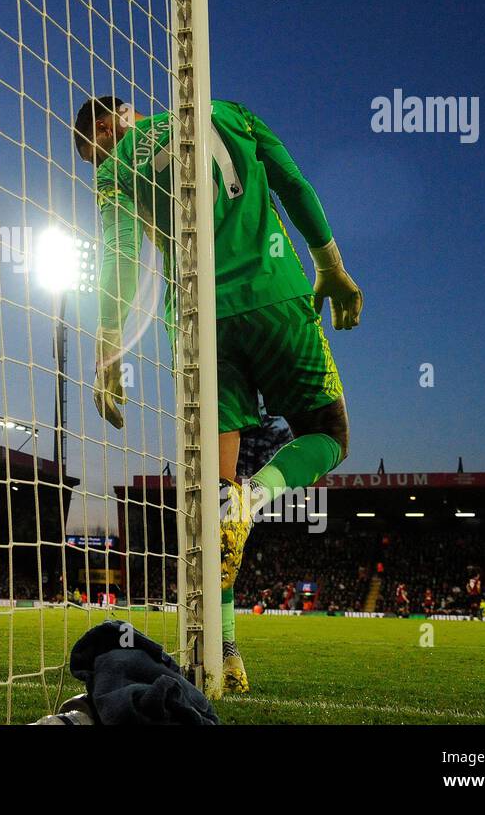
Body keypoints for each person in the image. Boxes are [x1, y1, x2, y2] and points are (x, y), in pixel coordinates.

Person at [74, 96, 362, 694]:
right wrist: (329, 264)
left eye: (90, 148)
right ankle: (256, 505)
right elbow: (293, 183)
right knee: (327, 436)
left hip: (201, 329)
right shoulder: (230, 115)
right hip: (276, 295)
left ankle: (223, 648)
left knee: (215, 503)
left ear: (109, 124)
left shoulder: (115, 169)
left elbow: (121, 255)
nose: (93, 160)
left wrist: (107, 349)